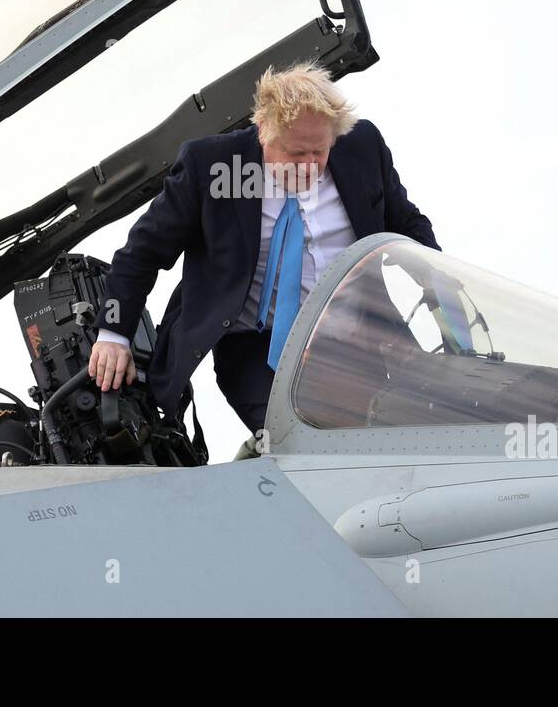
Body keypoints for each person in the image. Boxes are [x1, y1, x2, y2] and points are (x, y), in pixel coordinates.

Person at [87, 61, 440, 445]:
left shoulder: (362, 147)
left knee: (413, 438)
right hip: (260, 347)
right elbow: (141, 253)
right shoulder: (213, 168)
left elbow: (407, 224)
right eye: (294, 154)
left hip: (359, 336)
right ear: (263, 133)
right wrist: (113, 333)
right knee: (306, 449)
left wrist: (442, 285)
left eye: (318, 153)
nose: (308, 167)